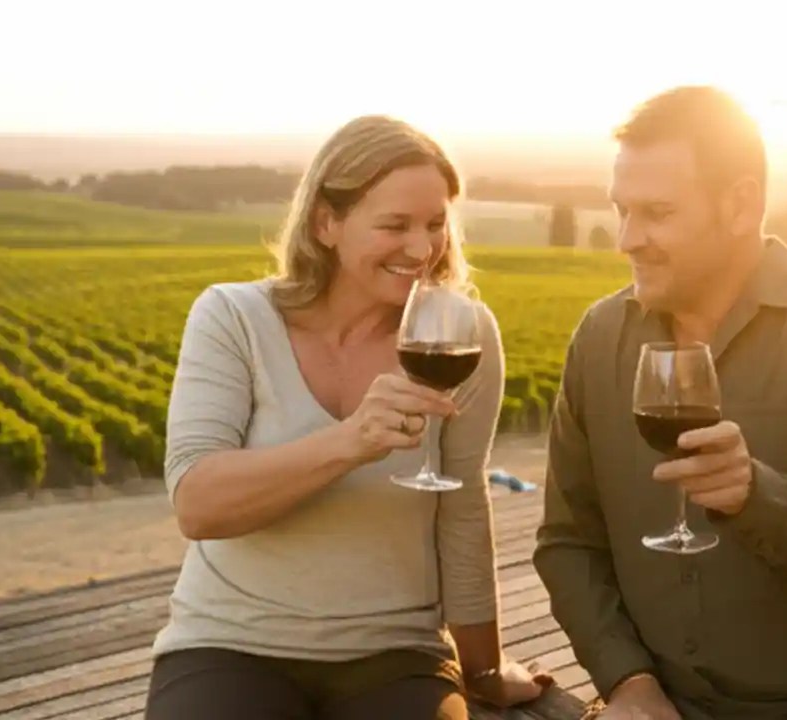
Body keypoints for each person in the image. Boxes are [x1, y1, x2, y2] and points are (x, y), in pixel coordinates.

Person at [533, 86, 787, 719]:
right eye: (622, 210)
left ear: (740, 205)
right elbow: (568, 542)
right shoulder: (600, 338)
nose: (627, 239)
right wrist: (627, 681)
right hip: (667, 704)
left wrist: (758, 498)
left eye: (657, 212)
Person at [146, 114, 552, 720]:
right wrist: (349, 442)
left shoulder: (462, 332)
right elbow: (199, 506)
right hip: (229, 645)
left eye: (435, 224)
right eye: (395, 225)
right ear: (325, 223)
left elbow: (463, 505)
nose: (422, 249)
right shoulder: (233, 318)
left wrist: (485, 672)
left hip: (397, 653)